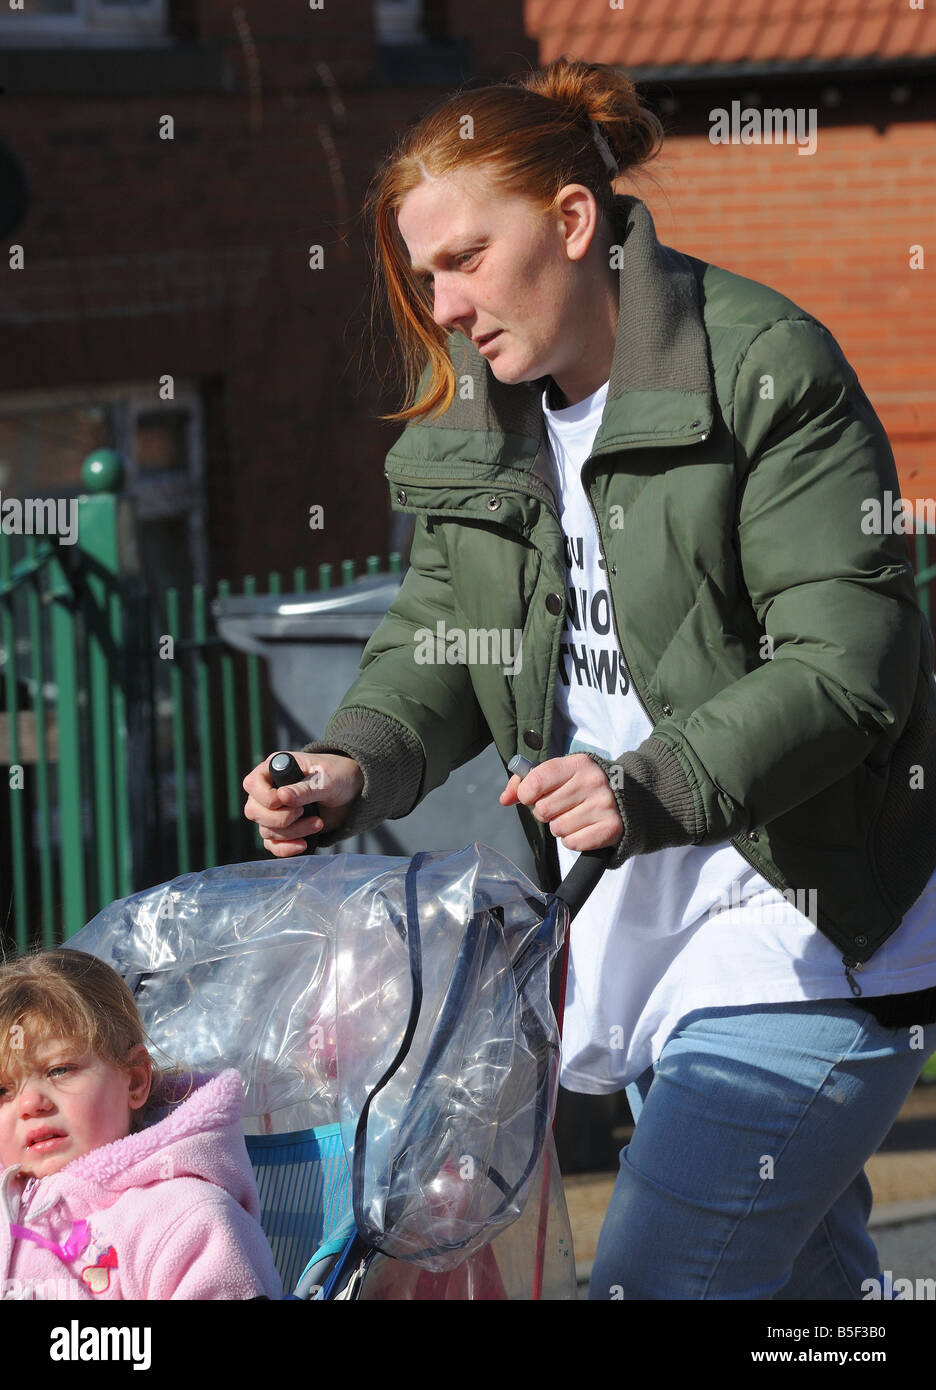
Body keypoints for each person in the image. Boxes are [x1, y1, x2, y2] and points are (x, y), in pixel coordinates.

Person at [242, 56, 936, 1299]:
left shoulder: (766, 368)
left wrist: (647, 784)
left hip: (805, 939)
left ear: (573, 223)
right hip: (640, 951)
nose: (444, 305)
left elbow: (853, 661)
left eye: (463, 260)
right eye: (423, 277)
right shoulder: (482, 412)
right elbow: (444, 631)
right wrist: (356, 756)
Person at [0, 949, 282, 1300]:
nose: (29, 1104)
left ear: (133, 1081)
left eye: (59, 1070)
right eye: (3, 1089)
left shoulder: (187, 1217)